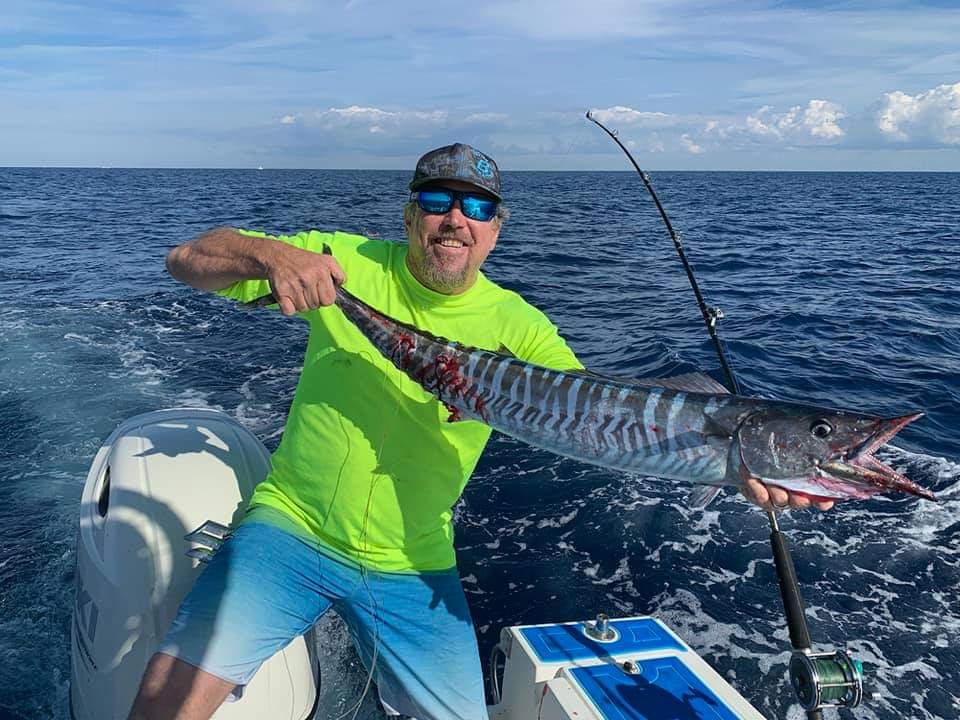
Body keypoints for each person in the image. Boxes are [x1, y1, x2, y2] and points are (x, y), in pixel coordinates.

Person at [129, 143, 832, 720]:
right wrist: (270, 257)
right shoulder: (339, 260)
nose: (454, 220)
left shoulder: (520, 327)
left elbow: (601, 418)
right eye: (436, 202)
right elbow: (186, 259)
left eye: (477, 208)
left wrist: (728, 468)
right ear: (410, 215)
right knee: (164, 709)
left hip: (413, 563)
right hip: (290, 531)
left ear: (496, 228)